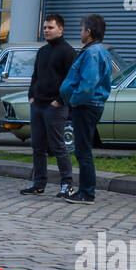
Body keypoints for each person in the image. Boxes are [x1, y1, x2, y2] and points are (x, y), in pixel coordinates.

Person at [58, 14, 113, 205]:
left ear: (88, 32)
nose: (80, 32)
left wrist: (73, 101)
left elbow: (88, 84)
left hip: (85, 106)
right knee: (83, 149)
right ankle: (85, 191)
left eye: (82, 29)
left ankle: (86, 193)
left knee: (83, 150)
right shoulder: (98, 51)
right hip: (89, 105)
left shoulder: (92, 53)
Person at [21, 13, 77, 198]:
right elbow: (35, 75)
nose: (46, 30)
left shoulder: (68, 51)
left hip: (55, 107)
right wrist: (31, 95)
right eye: (45, 27)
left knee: (57, 146)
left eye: (50, 27)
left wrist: (60, 101)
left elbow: (73, 80)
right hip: (37, 105)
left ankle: (67, 184)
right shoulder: (43, 51)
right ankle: (39, 183)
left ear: (61, 29)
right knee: (37, 146)